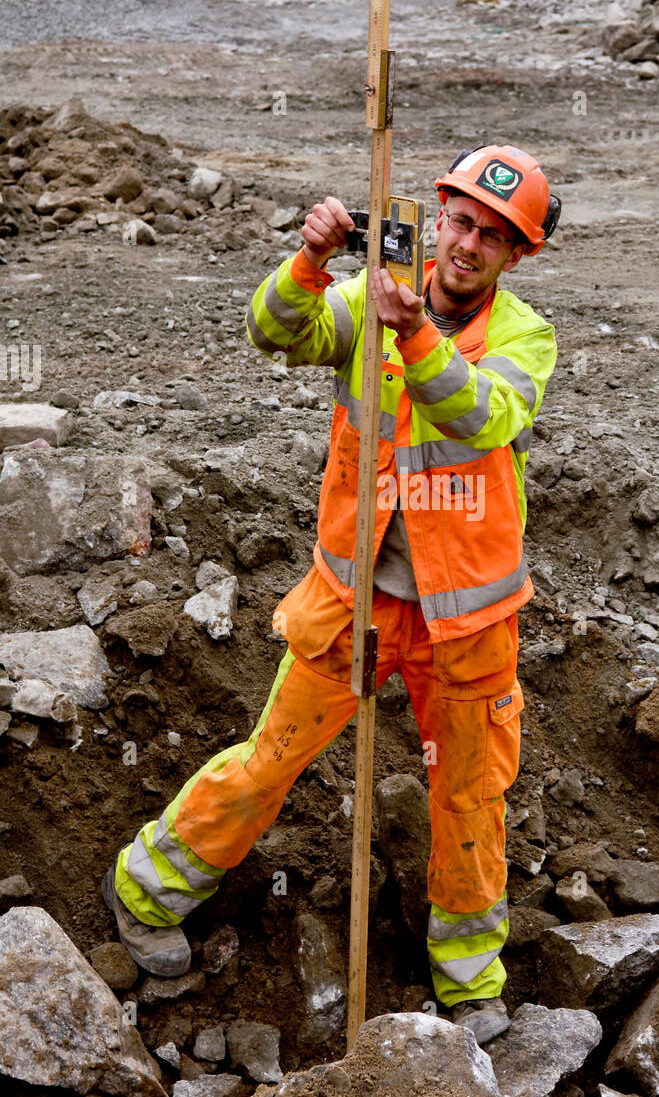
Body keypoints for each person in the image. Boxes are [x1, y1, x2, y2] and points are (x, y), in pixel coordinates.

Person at [102, 144, 559, 1044]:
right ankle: (147, 891)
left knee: (468, 797)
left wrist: (415, 333)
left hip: (464, 621)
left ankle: (467, 982)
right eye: (460, 221)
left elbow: (482, 414)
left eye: (492, 235)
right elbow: (273, 334)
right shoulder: (365, 301)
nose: (468, 244)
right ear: (436, 219)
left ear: (515, 255)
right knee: (270, 760)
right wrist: (309, 263)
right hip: (353, 605)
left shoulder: (522, 337)